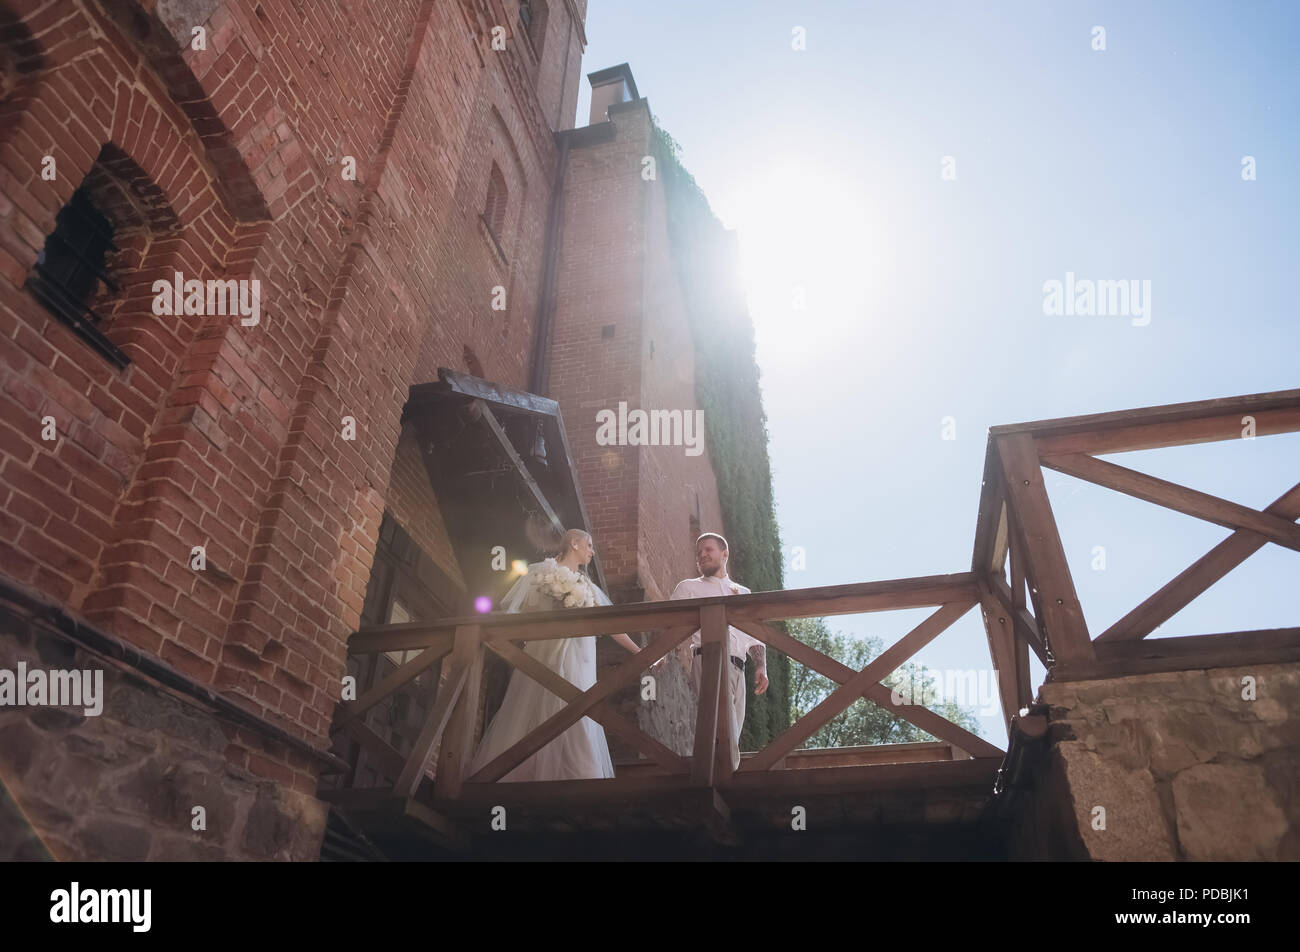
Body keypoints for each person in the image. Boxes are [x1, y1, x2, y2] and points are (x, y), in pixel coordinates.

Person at [467, 528, 640, 781]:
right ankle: (519, 772)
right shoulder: (541, 573)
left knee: (577, 706)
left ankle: (583, 774)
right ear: (574, 543)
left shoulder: (588, 586)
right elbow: (520, 612)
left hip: (579, 657)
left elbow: (610, 624)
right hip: (544, 652)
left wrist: (639, 651)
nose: (592, 551)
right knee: (534, 703)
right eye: (589, 545)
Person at [666, 532, 767, 771]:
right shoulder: (688, 588)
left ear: (725, 554)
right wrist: (660, 653)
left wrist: (761, 665)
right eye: (699, 552)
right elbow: (669, 624)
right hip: (709, 661)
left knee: (729, 735)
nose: (702, 555)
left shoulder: (743, 592)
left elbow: (754, 636)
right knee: (726, 735)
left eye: (708, 550)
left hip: (739, 670)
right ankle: (727, 788)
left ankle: (715, 777)